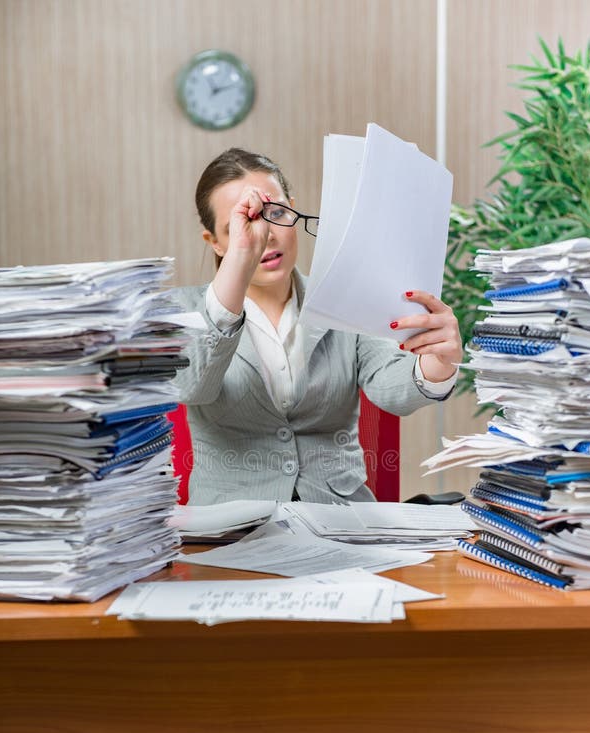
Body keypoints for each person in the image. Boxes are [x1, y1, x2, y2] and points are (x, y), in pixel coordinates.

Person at [174, 147, 462, 504]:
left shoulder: (344, 300)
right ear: (215, 243)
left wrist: (437, 364)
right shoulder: (186, 311)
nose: (267, 234)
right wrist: (241, 259)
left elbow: (392, 388)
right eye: (241, 223)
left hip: (339, 516)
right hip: (230, 524)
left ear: (293, 211)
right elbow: (192, 387)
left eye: (276, 213)